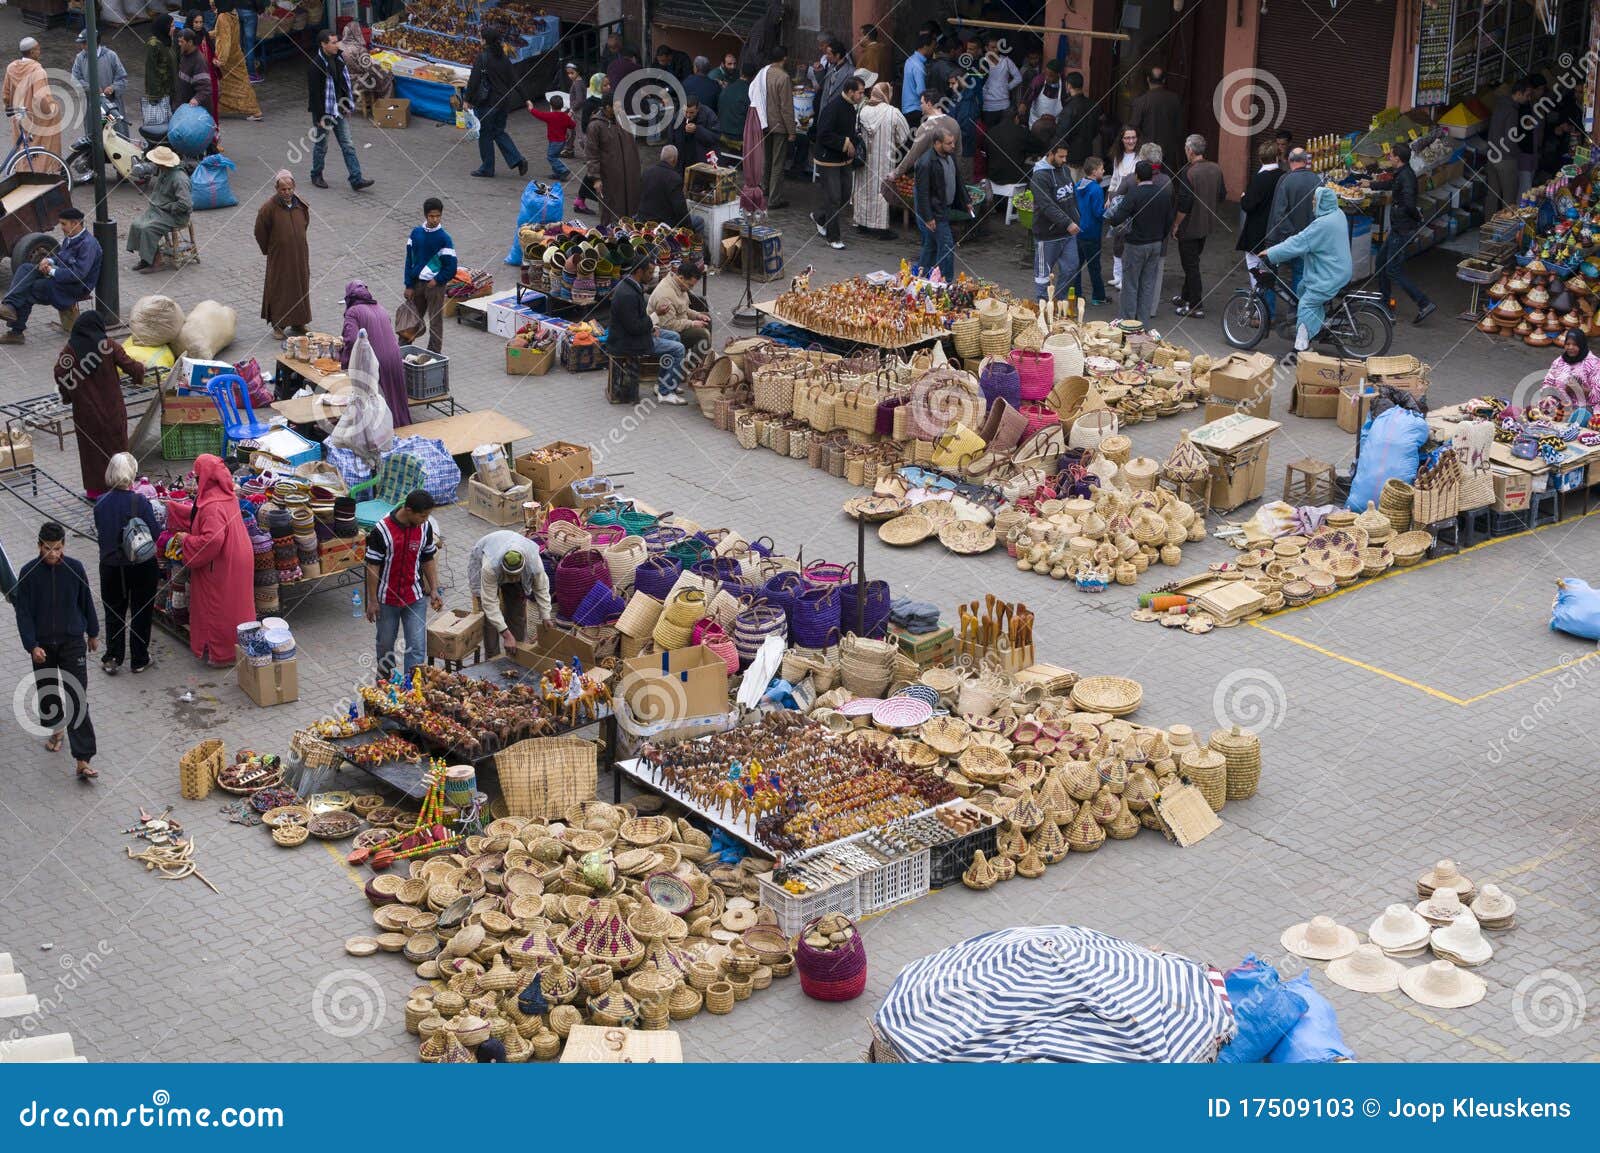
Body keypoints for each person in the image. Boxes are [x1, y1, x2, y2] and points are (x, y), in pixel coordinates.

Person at [11, 522, 99, 780]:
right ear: (39, 546)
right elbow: (23, 614)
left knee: (77, 697)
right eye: (48, 549)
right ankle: (56, 727)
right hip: (42, 646)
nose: (53, 554)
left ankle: (83, 759)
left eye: (58, 549)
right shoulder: (27, 573)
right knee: (48, 691)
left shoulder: (76, 568)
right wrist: (32, 645)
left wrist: (92, 633)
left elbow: (86, 601)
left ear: (64, 546)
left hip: (72, 642)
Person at [53, 311, 143, 497]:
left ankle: (95, 491)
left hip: (86, 414)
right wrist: (140, 372)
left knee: (91, 453)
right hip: (113, 411)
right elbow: (130, 366)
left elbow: (60, 372)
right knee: (117, 449)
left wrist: (70, 394)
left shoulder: (71, 349)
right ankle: (120, 486)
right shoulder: (109, 346)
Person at [178, 454, 253, 668]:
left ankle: (221, 654)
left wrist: (187, 540)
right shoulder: (226, 495)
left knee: (218, 607)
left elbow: (213, 538)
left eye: (197, 475)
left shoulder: (211, 504)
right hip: (238, 554)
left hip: (220, 562)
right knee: (236, 605)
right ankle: (239, 647)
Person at [365, 489, 443, 683]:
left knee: (417, 647)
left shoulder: (425, 528)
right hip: (386, 601)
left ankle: (412, 686)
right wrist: (372, 600)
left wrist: (433, 589)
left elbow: (427, 558)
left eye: (428, 516)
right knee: (385, 645)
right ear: (408, 510)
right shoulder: (381, 530)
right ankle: (383, 681)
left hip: (414, 598)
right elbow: (373, 567)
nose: (425, 520)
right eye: (422, 515)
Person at [1262, 186, 1353, 351]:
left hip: (1331, 274)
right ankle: (1313, 327)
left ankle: (1300, 348)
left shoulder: (1323, 224)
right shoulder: (1337, 214)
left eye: (1315, 200)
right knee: (1302, 288)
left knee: (1307, 304)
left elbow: (1299, 242)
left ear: (1322, 203)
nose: (1312, 203)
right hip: (1336, 268)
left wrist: (1271, 253)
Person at [93, 453, 159, 677]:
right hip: (140, 566)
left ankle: (113, 657)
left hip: (111, 566)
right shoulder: (139, 501)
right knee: (141, 612)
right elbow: (155, 532)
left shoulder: (100, 503)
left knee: (114, 613)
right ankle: (139, 659)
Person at [0, 208, 101, 345]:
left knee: (30, 288)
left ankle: (16, 331)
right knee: (26, 269)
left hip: (75, 287)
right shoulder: (70, 238)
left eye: (64, 224)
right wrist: (49, 261)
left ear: (75, 223)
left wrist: (51, 272)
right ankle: (9, 305)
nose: (62, 228)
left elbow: (78, 275)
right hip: (61, 278)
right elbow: (61, 257)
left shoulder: (88, 245)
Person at [607, 254, 687, 405]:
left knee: (674, 337)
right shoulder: (627, 294)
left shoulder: (631, 286)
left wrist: (652, 326)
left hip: (635, 334)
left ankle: (662, 384)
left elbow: (636, 320)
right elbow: (634, 327)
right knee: (678, 349)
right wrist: (656, 315)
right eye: (649, 272)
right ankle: (665, 392)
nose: (652, 276)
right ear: (639, 271)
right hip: (629, 341)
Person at [1104, 159, 1174, 328]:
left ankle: (1128, 323)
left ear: (1137, 176)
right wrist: (1160, 236)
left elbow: (1117, 218)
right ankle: (1143, 323)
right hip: (1156, 244)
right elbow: (1168, 220)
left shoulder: (1134, 193)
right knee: (1148, 284)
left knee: (1130, 284)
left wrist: (1112, 220)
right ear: (1152, 175)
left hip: (1136, 244)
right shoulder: (1163, 193)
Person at [1376, 141, 1435, 324]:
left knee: (1393, 270)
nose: (1390, 158)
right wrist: (1370, 183)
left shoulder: (1407, 177)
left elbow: (1409, 204)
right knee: (1380, 261)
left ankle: (1424, 302)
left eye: (1392, 155)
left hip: (1402, 228)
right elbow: (1391, 186)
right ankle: (1384, 302)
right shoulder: (1401, 173)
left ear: (1398, 158)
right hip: (1399, 227)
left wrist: (1408, 215)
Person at [468, 531, 552, 658]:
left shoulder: (534, 563)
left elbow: (541, 588)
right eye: (509, 575)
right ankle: (492, 658)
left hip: (512, 552)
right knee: (489, 619)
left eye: (515, 575)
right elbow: (490, 603)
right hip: (486, 552)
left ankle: (516, 654)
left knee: (517, 612)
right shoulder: (489, 567)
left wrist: (546, 616)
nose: (512, 578)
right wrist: (506, 634)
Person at [307, 27, 372, 190]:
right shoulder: (316, 66)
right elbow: (314, 95)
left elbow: (343, 84)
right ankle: (316, 174)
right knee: (321, 146)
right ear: (323, 45)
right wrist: (320, 117)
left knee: (348, 144)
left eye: (337, 41)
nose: (337, 45)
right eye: (334, 42)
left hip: (339, 109)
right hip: (324, 112)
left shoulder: (338, 59)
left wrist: (348, 104)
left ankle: (356, 179)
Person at [341, 280, 410, 427]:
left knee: (377, 397)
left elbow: (352, 340)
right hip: (395, 356)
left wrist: (346, 362)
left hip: (375, 360)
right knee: (395, 394)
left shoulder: (352, 313)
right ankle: (401, 425)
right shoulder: (380, 308)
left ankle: (381, 431)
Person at [1171, 134, 1226, 319]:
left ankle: (1195, 305)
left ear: (1190, 151)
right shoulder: (1216, 169)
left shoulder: (1188, 172)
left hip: (1189, 227)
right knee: (1192, 262)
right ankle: (1186, 296)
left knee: (1191, 266)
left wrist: (1176, 225)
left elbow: (1184, 204)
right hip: (1206, 226)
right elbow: (1222, 195)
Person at [254, 171, 311, 339]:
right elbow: (259, 232)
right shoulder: (268, 208)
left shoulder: (301, 205)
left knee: (300, 284)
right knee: (280, 287)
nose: (287, 192)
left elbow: (305, 223)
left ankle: (299, 322)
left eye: (289, 189)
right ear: (276, 189)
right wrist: (270, 249)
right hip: (279, 256)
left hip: (299, 254)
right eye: (283, 189)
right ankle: (279, 325)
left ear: (294, 188)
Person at [467, 27, 528, 179]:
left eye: (481, 38)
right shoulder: (504, 58)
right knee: (498, 132)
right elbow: (515, 80)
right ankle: (517, 159)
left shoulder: (483, 58)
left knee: (485, 135)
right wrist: (526, 98)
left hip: (487, 103)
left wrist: (467, 99)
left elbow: (474, 80)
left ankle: (487, 168)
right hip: (504, 102)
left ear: (485, 40)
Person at [812, 76, 864, 249]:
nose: (862, 96)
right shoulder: (833, 108)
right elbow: (823, 134)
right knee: (834, 197)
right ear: (850, 92)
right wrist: (845, 143)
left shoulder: (851, 107)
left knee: (845, 195)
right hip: (828, 160)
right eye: (860, 92)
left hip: (844, 160)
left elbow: (850, 131)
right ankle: (833, 238)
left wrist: (855, 141)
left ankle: (819, 216)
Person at [913, 127, 971, 281]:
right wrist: (928, 217)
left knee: (931, 246)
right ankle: (945, 282)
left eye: (953, 142)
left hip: (943, 209)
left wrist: (966, 201)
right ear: (937, 143)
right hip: (935, 212)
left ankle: (920, 277)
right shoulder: (925, 163)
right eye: (949, 143)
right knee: (947, 246)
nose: (953, 146)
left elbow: (958, 180)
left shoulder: (949, 157)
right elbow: (922, 193)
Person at [853, 81, 909, 237]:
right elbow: (904, 136)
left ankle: (862, 222)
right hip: (884, 158)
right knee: (881, 190)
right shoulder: (893, 112)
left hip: (864, 159)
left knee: (863, 189)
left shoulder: (861, 111)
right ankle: (880, 228)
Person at [1236, 140, 1285, 319]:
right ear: (1277, 156)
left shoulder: (1260, 178)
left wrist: (1243, 197)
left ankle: (1261, 313)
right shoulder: (1283, 176)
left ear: (1260, 158)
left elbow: (1249, 205)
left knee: (1257, 274)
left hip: (1258, 233)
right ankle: (1268, 311)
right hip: (1277, 231)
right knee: (1270, 271)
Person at [1030, 139, 1080, 303]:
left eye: (1066, 156)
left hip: (1067, 233)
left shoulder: (1065, 170)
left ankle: (1058, 300)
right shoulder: (1039, 177)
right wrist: (1068, 222)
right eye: (1060, 156)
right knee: (1043, 274)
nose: (1064, 160)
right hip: (1047, 234)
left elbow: (1071, 196)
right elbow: (1047, 206)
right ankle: (1042, 303)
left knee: (1072, 267)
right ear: (1050, 154)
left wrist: (1076, 216)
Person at [4, 38, 64, 175]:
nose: (39, 51)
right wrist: (51, 111)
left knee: (23, 148)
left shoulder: (11, 68)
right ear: (32, 52)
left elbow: (6, 95)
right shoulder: (38, 71)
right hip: (36, 117)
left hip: (19, 115)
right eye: (38, 49)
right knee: (42, 147)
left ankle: (23, 174)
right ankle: (42, 175)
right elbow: (40, 97)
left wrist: (8, 107)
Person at [126, 146, 191, 272]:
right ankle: (146, 258)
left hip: (176, 216)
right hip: (160, 211)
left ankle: (156, 262)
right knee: (136, 224)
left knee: (148, 228)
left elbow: (185, 204)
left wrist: (167, 207)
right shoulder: (164, 172)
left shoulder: (179, 179)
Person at [404, 197, 455, 354]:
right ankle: (403, 347)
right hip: (417, 284)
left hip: (435, 287)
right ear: (426, 215)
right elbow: (409, 260)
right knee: (412, 318)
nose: (435, 219)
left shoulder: (444, 239)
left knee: (435, 322)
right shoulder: (416, 234)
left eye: (438, 216)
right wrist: (409, 285)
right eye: (432, 216)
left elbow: (451, 267)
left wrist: (437, 280)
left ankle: (434, 352)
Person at [585, 98, 641, 227]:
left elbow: (631, 145)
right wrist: (596, 178)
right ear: (607, 107)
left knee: (630, 207)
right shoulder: (595, 126)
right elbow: (591, 153)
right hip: (608, 176)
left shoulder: (621, 119)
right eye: (616, 107)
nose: (619, 110)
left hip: (627, 175)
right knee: (611, 211)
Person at [752, 47, 796, 209]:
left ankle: (764, 189)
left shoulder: (763, 73)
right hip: (778, 125)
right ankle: (774, 199)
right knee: (778, 162)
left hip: (763, 121)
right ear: (784, 58)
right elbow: (786, 107)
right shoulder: (783, 77)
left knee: (767, 159)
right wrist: (791, 131)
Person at [649, 257, 711, 363]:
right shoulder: (665, 295)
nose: (690, 289)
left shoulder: (679, 285)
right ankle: (691, 367)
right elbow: (668, 325)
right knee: (702, 334)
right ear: (681, 278)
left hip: (679, 323)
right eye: (690, 285)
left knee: (707, 319)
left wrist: (697, 315)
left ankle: (703, 359)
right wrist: (692, 324)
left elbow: (684, 309)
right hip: (665, 332)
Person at [1484, 79, 1530, 213]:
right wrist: (1516, 153)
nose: (1528, 99)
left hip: (1492, 156)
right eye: (1527, 95)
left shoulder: (1499, 105)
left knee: (1492, 196)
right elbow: (1510, 139)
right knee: (1509, 200)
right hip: (1506, 159)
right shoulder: (1512, 111)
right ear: (1519, 93)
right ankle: (1505, 232)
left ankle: (1488, 231)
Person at [71, 27, 128, 134]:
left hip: (111, 105)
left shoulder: (111, 56)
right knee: (95, 134)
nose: (81, 46)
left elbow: (122, 78)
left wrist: (113, 88)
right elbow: (75, 79)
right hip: (92, 105)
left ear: (93, 42)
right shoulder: (80, 58)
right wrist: (91, 87)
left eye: (84, 43)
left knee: (114, 133)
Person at [891, 90, 958, 180]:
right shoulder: (954, 123)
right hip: (950, 175)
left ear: (929, 104)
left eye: (922, 103)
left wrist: (896, 173)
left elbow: (913, 154)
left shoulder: (925, 128)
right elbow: (958, 152)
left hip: (929, 179)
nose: (920, 106)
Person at [211, 0, 261, 119]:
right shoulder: (232, 13)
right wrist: (206, 34)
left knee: (228, 86)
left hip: (228, 59)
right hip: (236, 54)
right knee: (241, 84)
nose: (212, 6)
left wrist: (221, 61)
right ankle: (253, 110)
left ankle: (253, 110)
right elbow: (221, 32)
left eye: (214, 4)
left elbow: (225, 39)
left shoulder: (223, 17)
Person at [1130, 66, 1183, 174]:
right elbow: (1179, 128)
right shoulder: (1174, 99)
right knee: (1166, 182)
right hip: (1168, 151)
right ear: (1164, 80)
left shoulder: (1140, 101)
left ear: (1148, 79)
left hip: (1147, 152)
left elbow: (1133, 127)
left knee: (1146, 181)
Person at [1265, 147, 1320, 245]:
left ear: (1289, 160)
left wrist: (1293, 235)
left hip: (1289, 242)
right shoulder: (1317, 180)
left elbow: (1279, 214)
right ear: (1306, 160)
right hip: (1310, 240)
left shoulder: (1285, 180)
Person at [1073, 156, 1107, 304]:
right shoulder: (1097, 189)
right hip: (1092, 233)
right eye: (1101, 169)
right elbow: (1098, 213)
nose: (1104, 171)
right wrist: (1107, 207)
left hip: (1078, 231)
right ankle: (1098, 297)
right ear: (1094, 172)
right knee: (1094, 267)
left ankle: (1076, 294)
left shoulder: (1079, 184)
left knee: (1076, 266)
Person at [1541, 329, 1600, 411]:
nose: (1570, 347)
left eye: (1575, 344)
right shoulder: (1559, 361)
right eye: (1568, 344)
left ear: (1581, 345)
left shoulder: (1594, 364)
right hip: (1559, 405)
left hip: (1584, 408)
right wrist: (1548, 396)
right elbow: (1548, 382)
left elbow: (1597, 396)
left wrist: (1577, 390)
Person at [639, 144, 694, 230]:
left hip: (643, 218)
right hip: (663, 224)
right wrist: (690, 229)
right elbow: (680, 209)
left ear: (661, 157)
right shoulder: (674, 178)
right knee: (699, 221)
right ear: (674, 160)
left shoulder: (647, 172)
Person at [983, 97, 1033, 188]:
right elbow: (1034, 147)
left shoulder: (990, 131)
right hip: (1015, 177)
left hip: (994, 175)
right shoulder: (1021, 131)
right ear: (1016, 118)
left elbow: (986, 153)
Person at [340, 17, 393, 101]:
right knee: (386, 76)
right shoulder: (359, 49)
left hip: (344, 79)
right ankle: (384, 104)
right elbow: (369, 69)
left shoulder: (339, 46)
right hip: (357, 81)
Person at [526, 93, 575, 179]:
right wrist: (569, 117)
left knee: (551, 157)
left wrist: (531, 108)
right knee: (555, 156)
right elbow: (572, 125)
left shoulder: (550, 116)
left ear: (551, 106)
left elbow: (538, 114)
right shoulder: (565, 116)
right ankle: (558, 174)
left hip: (555, 141)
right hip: (562, 141)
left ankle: (563, 170)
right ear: (562, 105)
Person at [142, 14, 176, 127]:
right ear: (164, 27)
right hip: (159, 95)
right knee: (158, 125)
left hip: (169, 91)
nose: (174, 28)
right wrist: (154, 97)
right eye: (171, 26)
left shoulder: (167, 42)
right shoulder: (154, 44)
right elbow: (151, 71)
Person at [1060, 71, 1096, 178]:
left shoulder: (1069, 107)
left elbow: (1063, 134)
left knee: (1072, 189)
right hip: (1087, 154)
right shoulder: (1093, 105)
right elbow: (1095, 130)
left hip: (1072, 157)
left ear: (1068, 85)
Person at [979, 36, 1021, 127]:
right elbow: (978, 82)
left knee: (1004, 132)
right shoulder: (981, 63)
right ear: (986, 48)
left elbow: (1018, 78)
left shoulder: (1006, 61)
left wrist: (1007, 87)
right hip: (988, 106)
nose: (996, 50)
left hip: (1004, 105)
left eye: (997, 47)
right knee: (990, 134)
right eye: (992, 47)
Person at [175, 28, 215, 120]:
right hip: (184, 108)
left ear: (190, 42)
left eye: (182, 42)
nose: (179, 44)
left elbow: (206, 88)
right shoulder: (184, 55)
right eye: (179, 41)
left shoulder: (198, 61)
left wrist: (196, 99)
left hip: (195, 113)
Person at [670, 97, 719, 172]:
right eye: (685, 112)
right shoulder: (678, 116)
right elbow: (671, 137)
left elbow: (715, 137)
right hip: (682, 158)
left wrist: (697, 129)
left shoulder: (708, 115)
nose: (688, 115)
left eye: (692, 112)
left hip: (701, 157)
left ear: (698, 109)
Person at [719, 61, 755, 156]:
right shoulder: (750, 92)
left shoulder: (728, 88)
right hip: (739, 135)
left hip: (722, 131)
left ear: (741, 73)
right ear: (753, 77)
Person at [902, 34, 934, 128]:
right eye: (933, 46)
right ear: (925, 46)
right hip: (916, 110)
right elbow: (921, 91)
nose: (934, 49)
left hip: (907, 108)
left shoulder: (909, 60)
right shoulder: (919, 65)